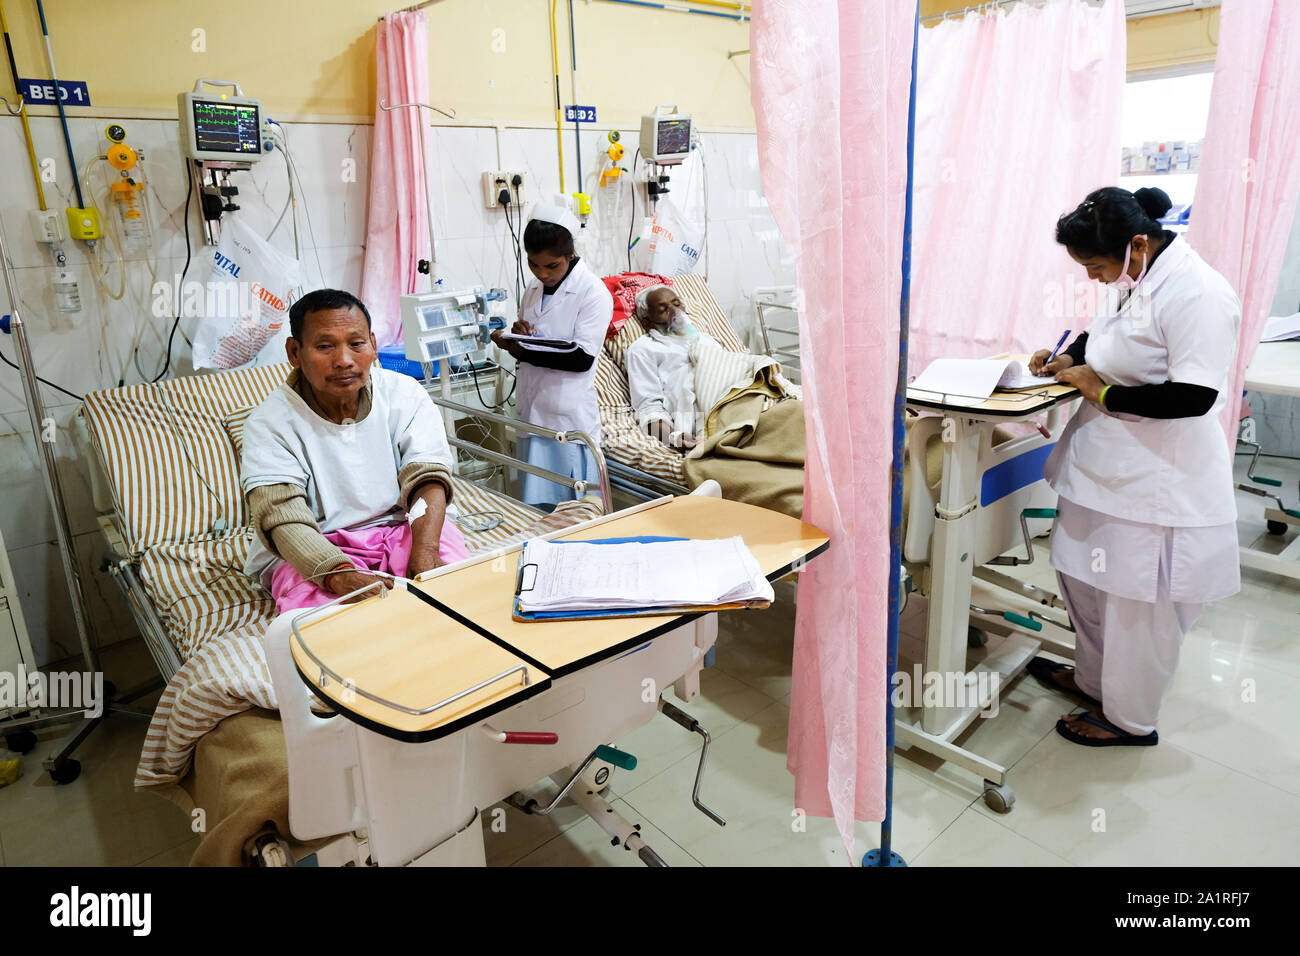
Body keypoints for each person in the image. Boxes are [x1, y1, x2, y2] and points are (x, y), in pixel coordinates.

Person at [1026, 186, 1241, 746]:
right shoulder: (1135, 278)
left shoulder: (1199, 294)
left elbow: (1194, 396)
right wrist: (1068, 359)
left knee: (1134, 602)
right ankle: (1094, 681)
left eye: (1096, 266)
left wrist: (1099, 393)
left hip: (1155, 484)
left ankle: (1129, 718)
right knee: (1084, 581)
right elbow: (1108, 334)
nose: (1094, 279)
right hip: (1101, 470)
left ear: (1137, 245)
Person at [241, 288, 469, 612]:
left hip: (406, 527)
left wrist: (426, 550)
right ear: (294, 352)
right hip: (317, 546)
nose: (344, 361)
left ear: (373, 346)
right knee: (328, 625)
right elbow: (282, 518)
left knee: (459, 591)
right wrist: (339, 575)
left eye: (356, 344)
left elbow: (427, 477)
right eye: (324, 347)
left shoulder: (403, 394)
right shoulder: (270, 423)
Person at [490, 204, 612, 510]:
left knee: (575, 513)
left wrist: (524, 349)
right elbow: (534, 338)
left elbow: (581, 357)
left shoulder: (593, 293)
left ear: (570, 254)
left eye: (552, 266)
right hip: (533, 415)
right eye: (534, 264)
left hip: (566, 420)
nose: (542, 273)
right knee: (537, 513)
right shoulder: (534, 288)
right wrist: (519, 334)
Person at [625, 284, 715, 450]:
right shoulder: (643, 350)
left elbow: (733, 368)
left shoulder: (706, 339)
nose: (676, 312)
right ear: (647, 323)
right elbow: (649, 408)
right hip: (704, 416)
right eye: (663, 310)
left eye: (676, 303)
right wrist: (674, 437)